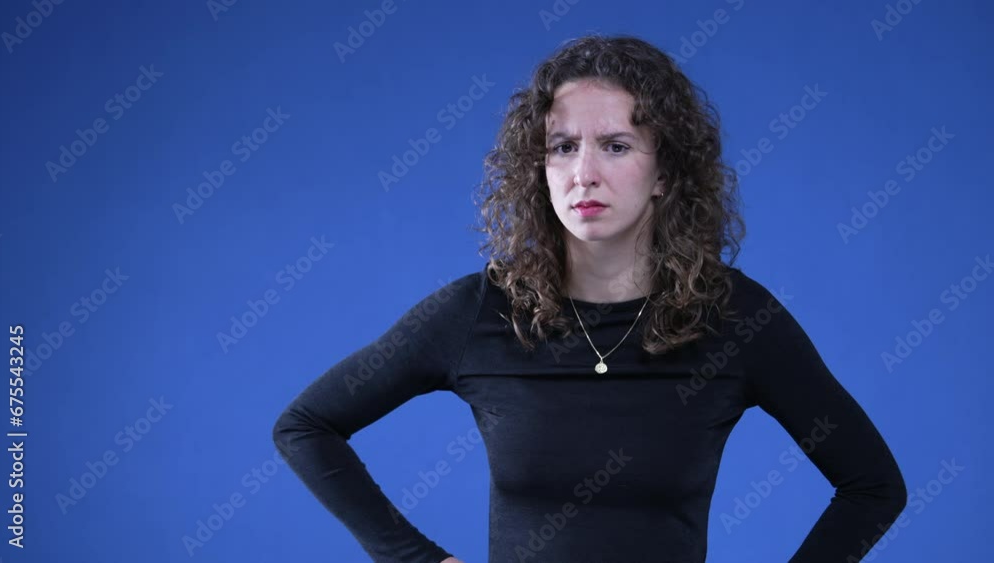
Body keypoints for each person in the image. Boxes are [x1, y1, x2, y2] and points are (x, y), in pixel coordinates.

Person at [272, 34, 907, 563]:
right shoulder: (479, 312)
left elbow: (873, 487)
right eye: (563, 147)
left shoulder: (734, 316)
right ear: (538, 168)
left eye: (617, 146)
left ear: (664, 174)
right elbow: (306, 426)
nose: (584, 174)